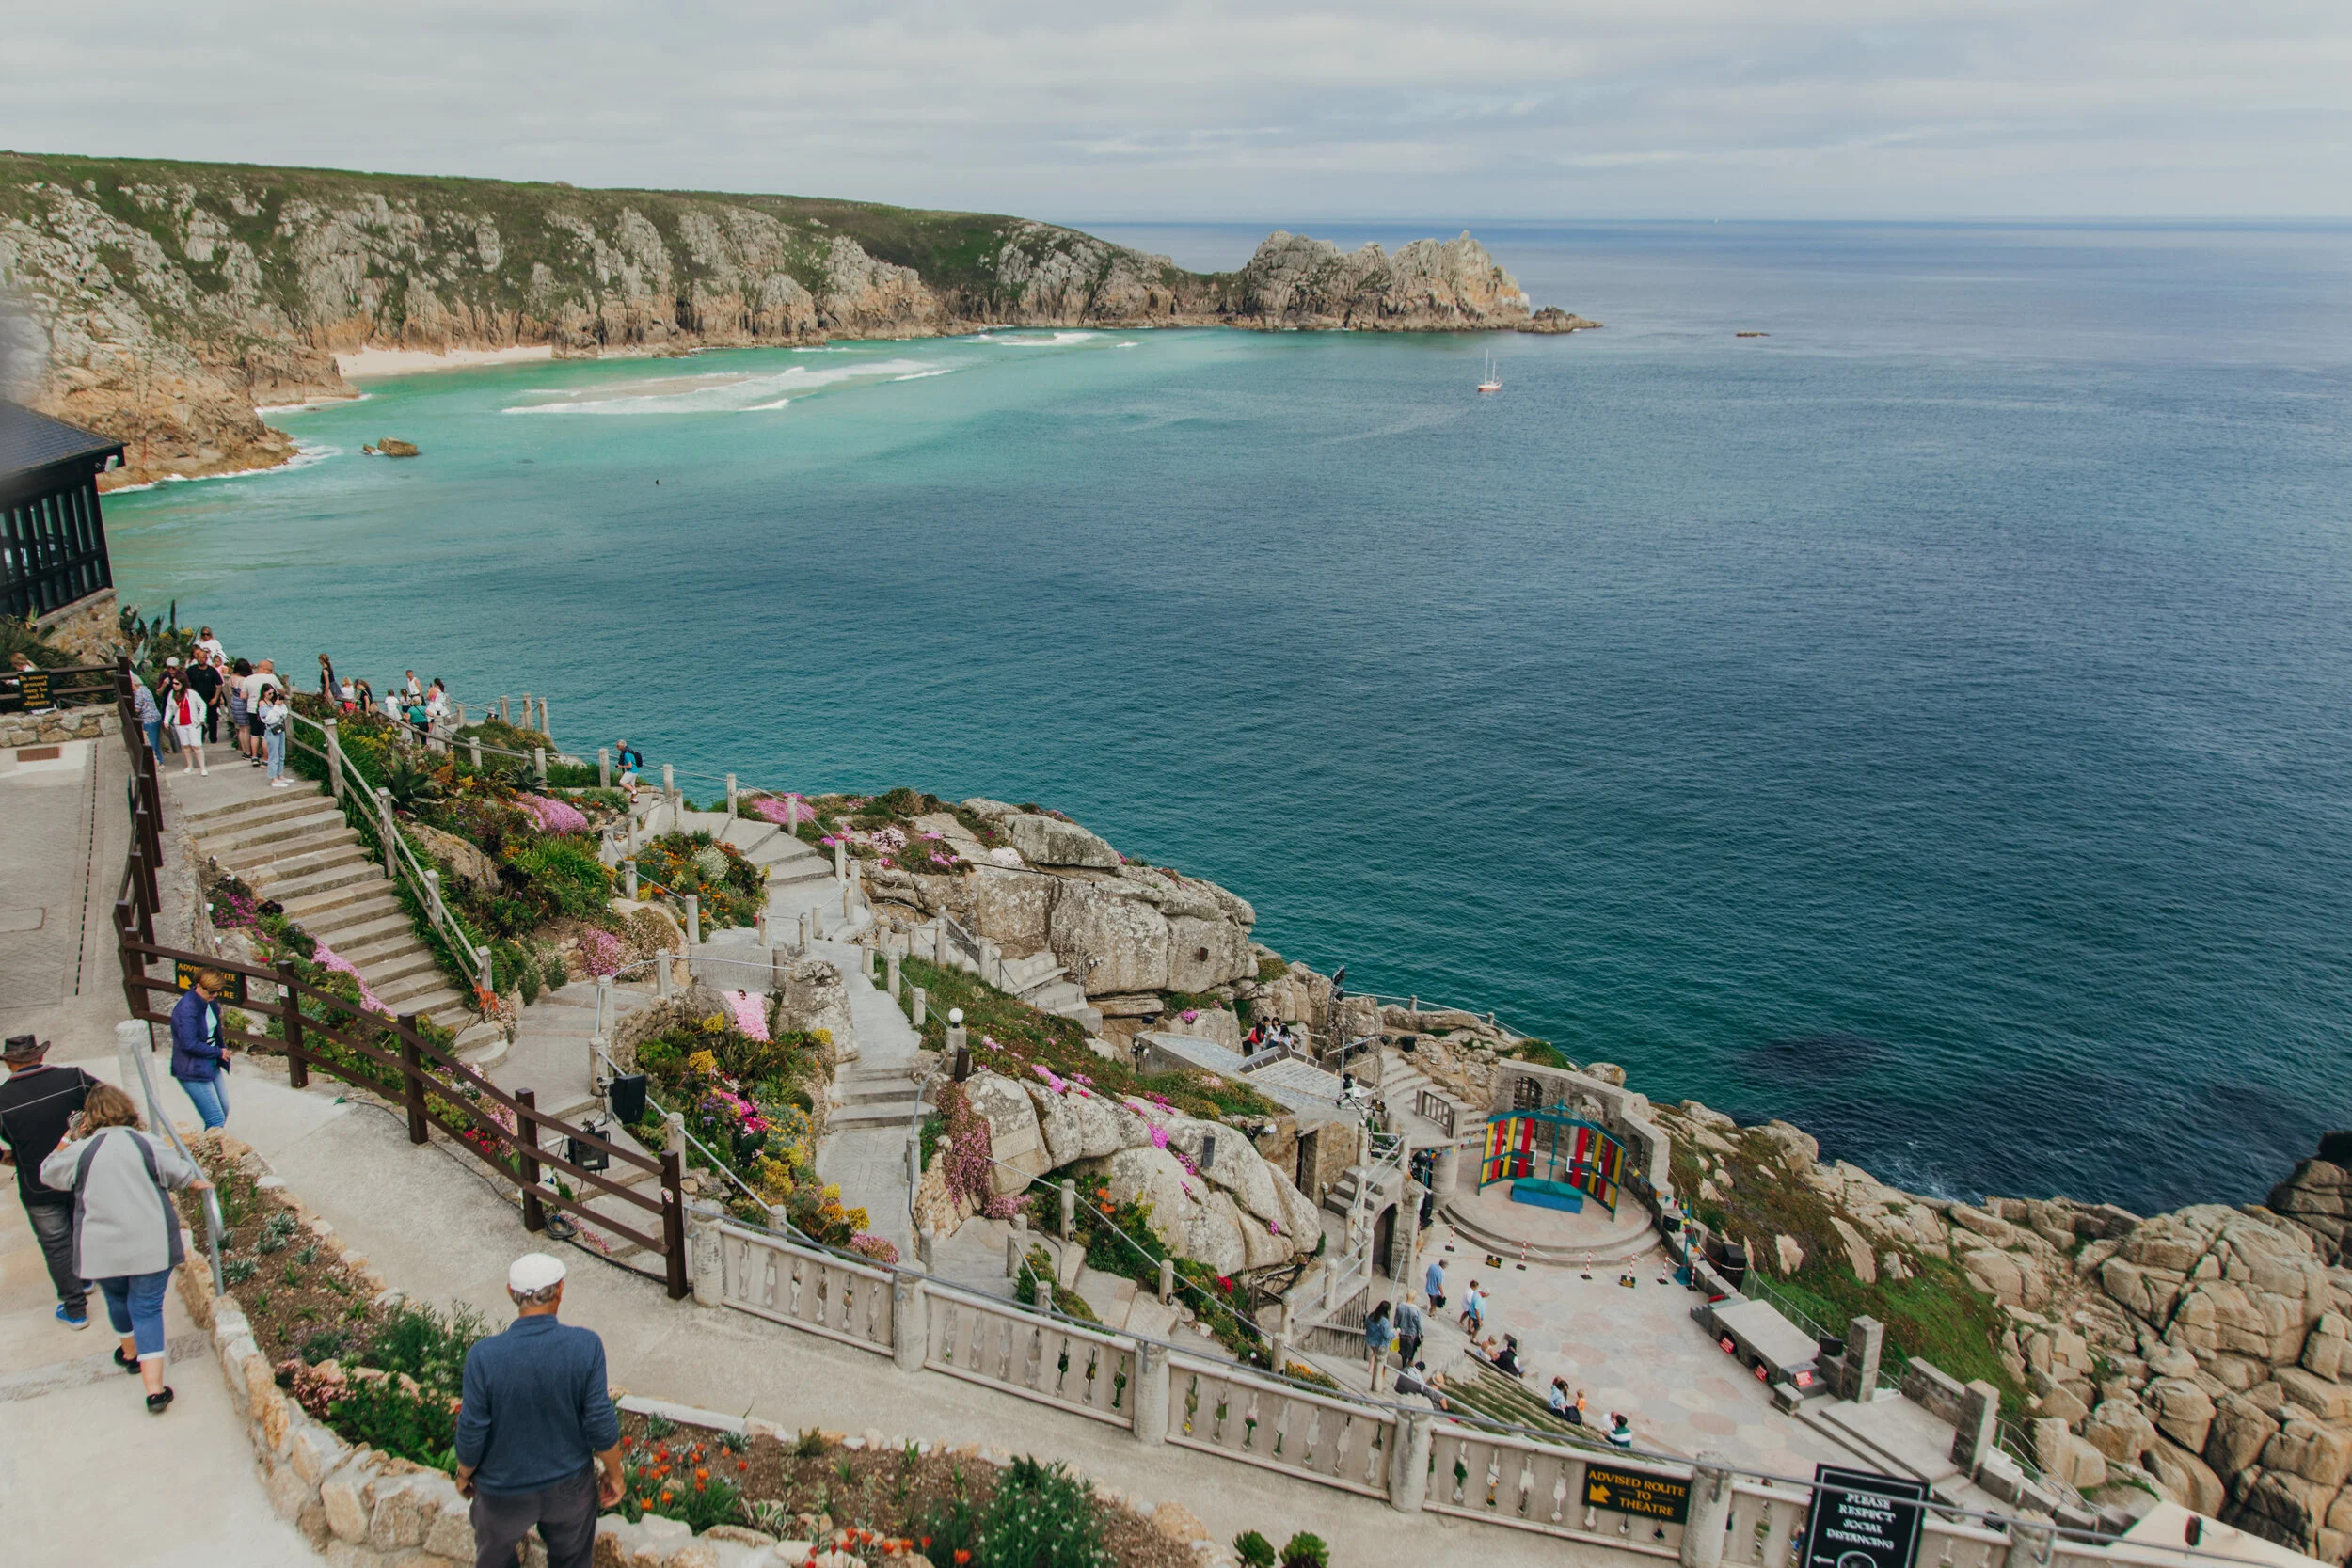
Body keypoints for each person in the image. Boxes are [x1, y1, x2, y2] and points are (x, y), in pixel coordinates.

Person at [40, 1083, 212, 1414]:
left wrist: (67, 1138)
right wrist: (196, 1184)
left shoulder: (82, 1150)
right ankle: (155, 1391)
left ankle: (130, 1355)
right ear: (127, 1109)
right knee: (147, 1309)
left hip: (100, 1248)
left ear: (89, 1117)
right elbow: (181, 1175)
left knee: (117, 1299)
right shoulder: (145, 1142)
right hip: (151, 1244)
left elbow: (47, 1174)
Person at [455, 1253, 624, 1568]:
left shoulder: (483, 1357)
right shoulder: (585, 1346)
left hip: (501, 1491)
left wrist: (464, 1474)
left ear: (511, 1293)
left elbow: (472, 1428)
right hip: (569, 1489)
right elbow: (599, 1421)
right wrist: (615, 1474)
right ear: (560, 1291)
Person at [0, 1034, 99, 1327]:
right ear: (40, 1056)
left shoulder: (2, 1099)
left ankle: (75, 1308)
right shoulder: (74, 1079)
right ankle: (85, 1276)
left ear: (9, 1064)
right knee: (81, 1225)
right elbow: (109, 1103)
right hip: (79, 1170)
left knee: (56, 1243)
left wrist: (7, 1157)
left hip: (37, 1181)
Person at [169, 970, 233, 1129]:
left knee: (223, 1109)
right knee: (215, 1119)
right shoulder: (187, 1009)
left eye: (218, 991)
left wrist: (219, 1050)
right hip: (191, 1068)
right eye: (212, 991)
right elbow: (189, 1044)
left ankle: (214, 1146)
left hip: (210, 1061)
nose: (215, 995)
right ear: (199, 986)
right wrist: (219, 1052)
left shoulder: (208, 1002)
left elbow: (214, 1031)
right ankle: (210, 1152)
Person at [167, 675, 208, 774]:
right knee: (185, 746)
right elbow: (169, 708)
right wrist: (166, 720)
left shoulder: (191, 693)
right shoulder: (171, 694)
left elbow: (202, 704)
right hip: (180, 724)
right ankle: (189, 765)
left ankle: (203, 768)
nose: (174, 685)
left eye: (177, 683)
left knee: (196, 746)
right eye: (173, 683)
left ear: (182, 684)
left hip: (193, 724)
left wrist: (201, 718)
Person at [259, 687, 291, 787]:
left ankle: (280, 775)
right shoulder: (262, 703)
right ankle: (273, 778)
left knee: (282, 753)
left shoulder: (273, 702)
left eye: (273, 694)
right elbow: (268, 718)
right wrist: (276, 707)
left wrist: (280, 705)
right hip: (271, 731)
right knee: (274, 755)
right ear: (264, 693)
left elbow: (283, 714)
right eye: (269, 694)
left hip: (279, 728)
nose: (271, 696)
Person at [1362, 1299, 1394, 1393]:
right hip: (1380, 1343)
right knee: (1379, 1359)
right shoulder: (1384, 1321)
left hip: (1370, 1340)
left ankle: (1370, 1368)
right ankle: (1375, 1376)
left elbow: (1365, 1324)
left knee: (1374, 1353)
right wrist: (1395, 1334)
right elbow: (1387, 1335)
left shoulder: (1372, 1316)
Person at [226, 657, 253, 759]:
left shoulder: (232, 677)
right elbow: (244, 695)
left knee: (241, 729)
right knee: (246, 729)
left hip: (235, 702)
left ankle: (244, 750)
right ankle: (248, 752)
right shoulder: (243, 680)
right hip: (242, 704)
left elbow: (230, 692)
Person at [131, 671, 161, 757]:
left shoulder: (139, 692)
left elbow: (137, 709)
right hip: (156, 718)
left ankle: (153, 764)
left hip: (148, 720)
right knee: (156, 743)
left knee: (151, 744)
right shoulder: (145, 688)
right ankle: (160, 762)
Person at [1393, 1296, 1424, 1371]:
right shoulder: (1416, 1309)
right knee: (1412, 1349)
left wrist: (1396, 1327)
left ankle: (1404, 1365)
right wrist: (1422, 1333)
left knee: (1403, 1350)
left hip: (1403, 1332)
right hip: (1412, 1334)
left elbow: (1396, 1319)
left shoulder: (1400, 1306)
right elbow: (1418, 1323)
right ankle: (1409, 1362)